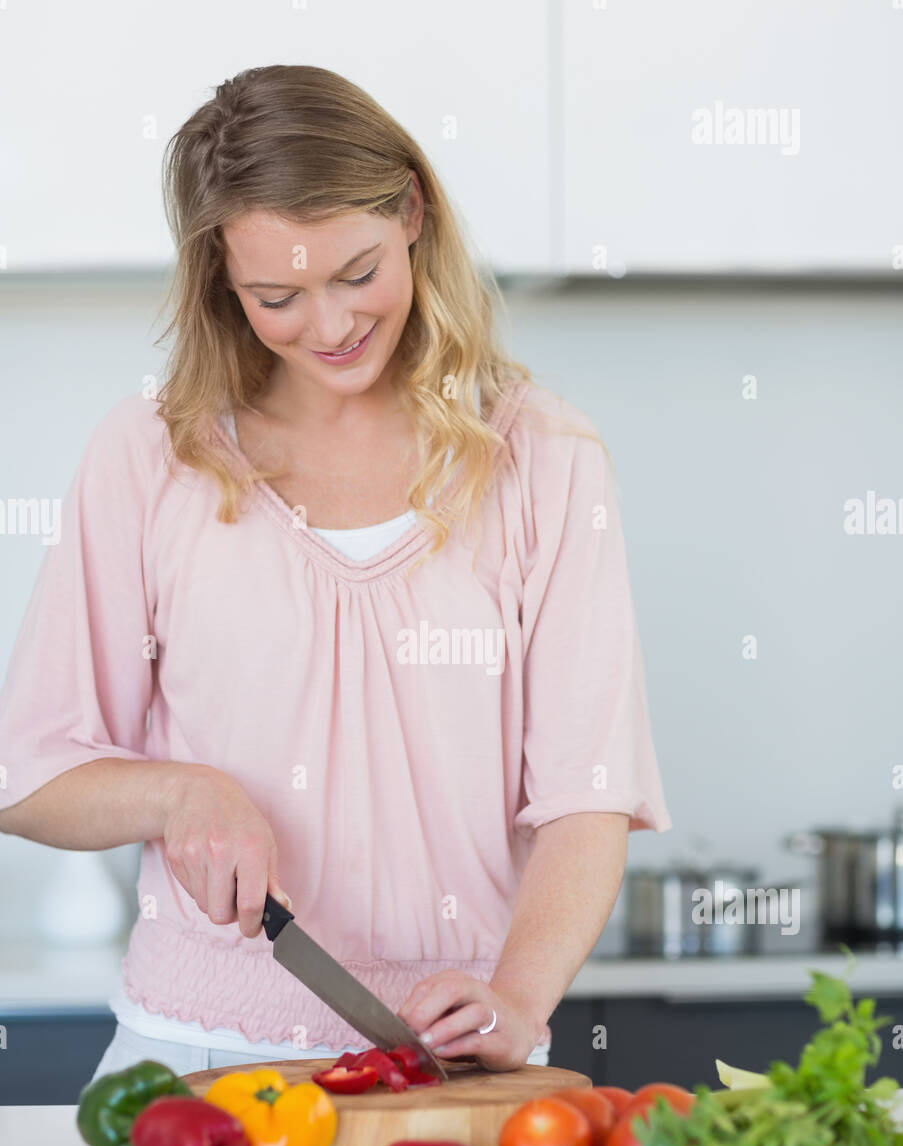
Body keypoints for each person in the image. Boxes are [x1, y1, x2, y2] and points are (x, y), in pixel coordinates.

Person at [0, 65, 670, 1084]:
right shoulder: (154, 453)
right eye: (278, 295)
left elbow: (587, 798)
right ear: (225, 282)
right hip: (196, 1058)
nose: (329, 325)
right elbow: (29, 772)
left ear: (411, 211)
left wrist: (520, 997)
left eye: (356, 272)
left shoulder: (547, 459)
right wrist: (179, 792)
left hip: (456, 1064)